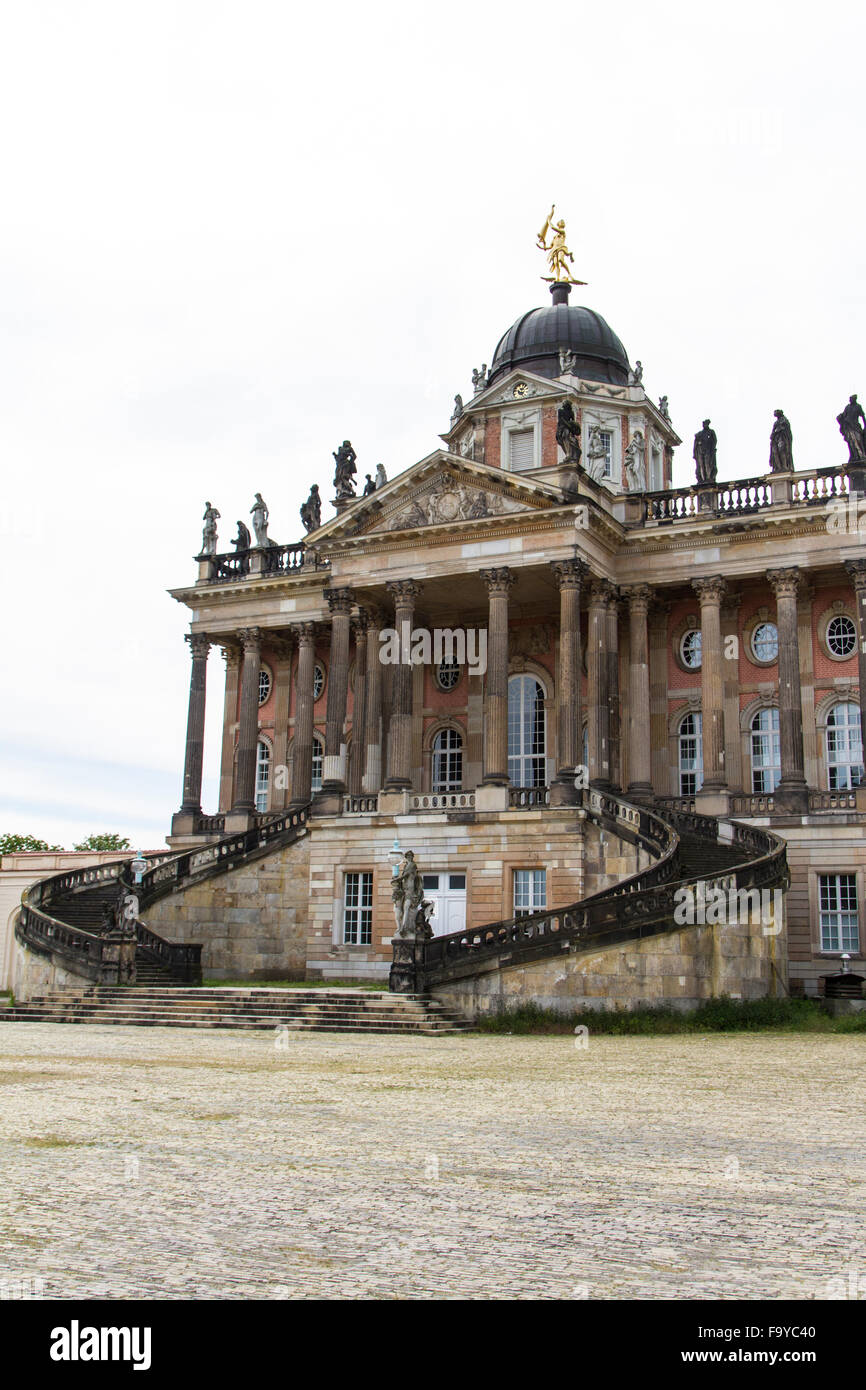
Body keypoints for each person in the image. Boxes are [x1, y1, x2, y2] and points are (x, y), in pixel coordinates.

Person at [693, 419, 717, 485]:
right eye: (704, 424)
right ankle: (703, 479)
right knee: (701, 465)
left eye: (706, 424)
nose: (704, 425)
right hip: (700, 451)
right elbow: (695, 443)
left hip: (708, 451)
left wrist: (712, 448)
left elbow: (714, 441)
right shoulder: (699, 434)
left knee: (708, 464)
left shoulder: (711, 432)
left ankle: (708, 478)